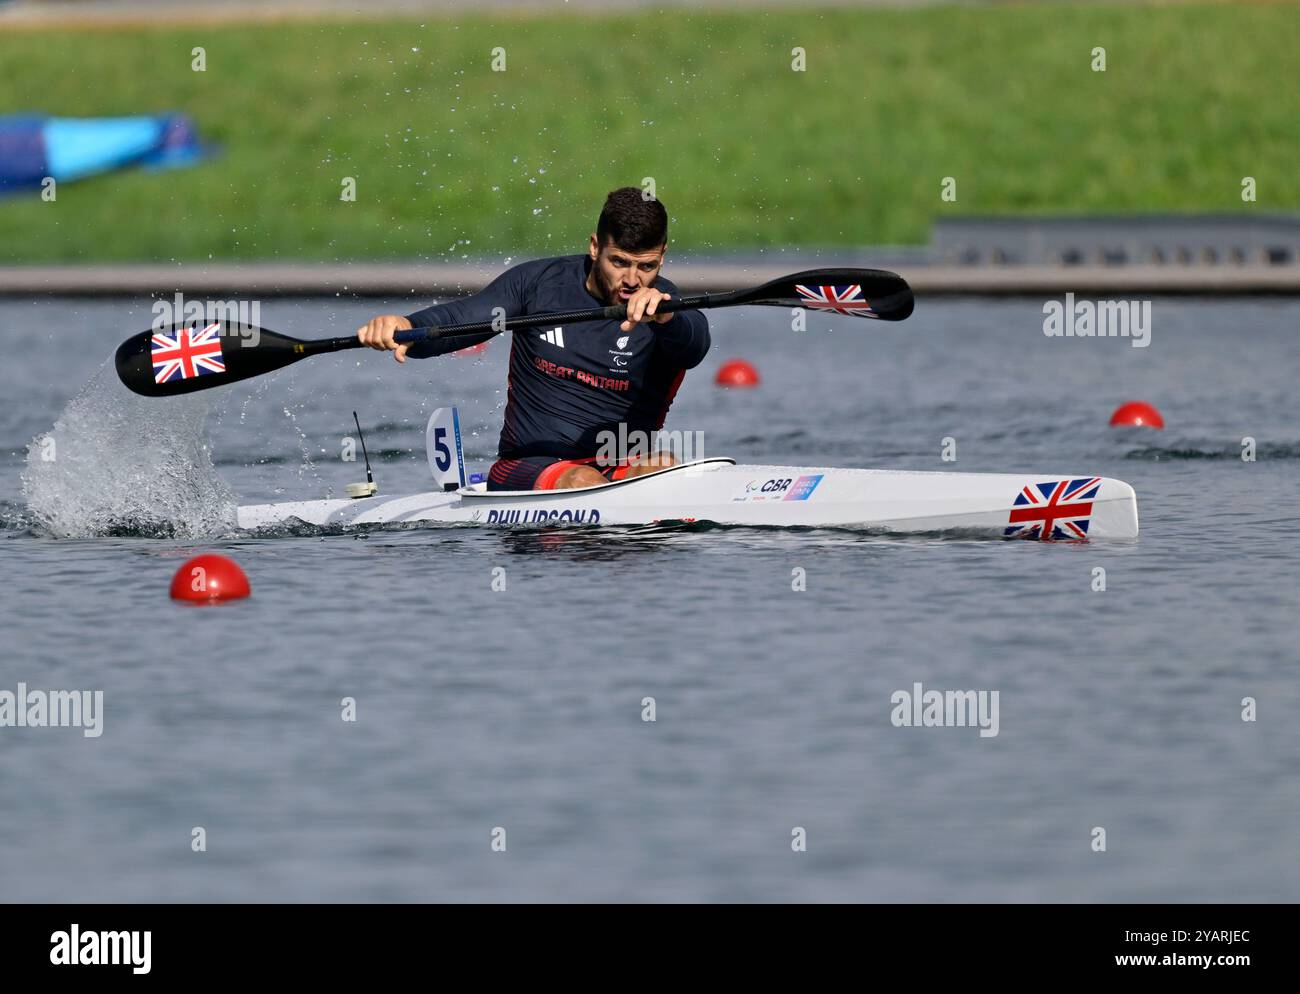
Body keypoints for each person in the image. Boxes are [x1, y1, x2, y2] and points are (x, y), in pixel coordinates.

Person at [356, 187, 710, 490]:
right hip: (529, 467)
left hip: (621, 465)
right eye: (619, 262)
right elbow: (461, 319)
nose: (632, 280)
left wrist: (666, 316)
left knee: (663, 464)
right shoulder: (538, 285)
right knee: (582, 479)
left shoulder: (669, 308)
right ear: (594, 247)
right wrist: (406, 325)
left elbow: (694, 346)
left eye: (646, 266)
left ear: (662, 255)